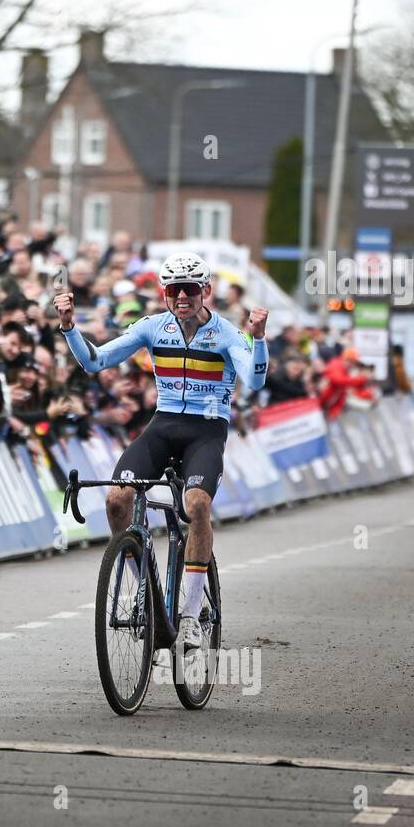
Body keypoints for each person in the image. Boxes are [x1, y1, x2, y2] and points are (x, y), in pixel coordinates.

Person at [54, 251, 269, 650]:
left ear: (205, 290)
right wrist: (69, 328)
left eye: (189, 289)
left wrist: (258, 341)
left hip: (206, 430)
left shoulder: (225, 333)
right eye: (173, 290)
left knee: (197, 507)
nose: (181, 297)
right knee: (117, 500)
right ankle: (147, 596)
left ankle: (189, 615)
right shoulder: (153, 327)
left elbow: (254, 382)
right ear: (164, 292)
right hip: (163, 425)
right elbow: (96, 361)